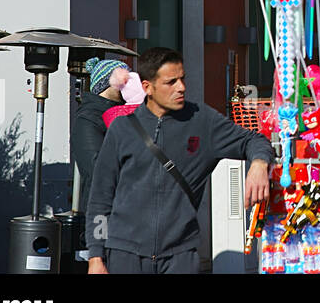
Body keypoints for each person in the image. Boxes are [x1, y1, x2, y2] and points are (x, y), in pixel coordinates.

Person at [86, 47, 273, 274]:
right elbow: (100, 197)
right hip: (125, 254)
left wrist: (259, 164)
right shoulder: (122, 129)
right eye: (171, 82)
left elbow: (254, 141)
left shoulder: (202, 121)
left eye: (182, 79)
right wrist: (96, 257)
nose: (181, 87)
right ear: (148, 88)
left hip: (180, 256)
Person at [71, 58, 126, 253]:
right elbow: (96, 169)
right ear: (105, 82)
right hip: (103, 214)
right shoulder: (88, 119)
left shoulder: (129, 113)